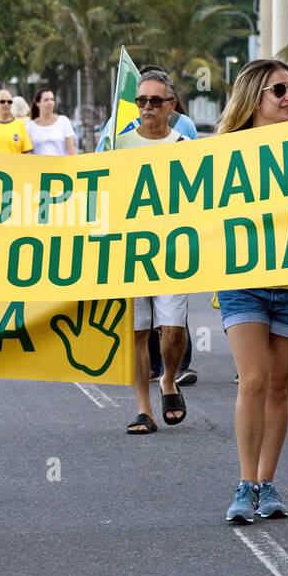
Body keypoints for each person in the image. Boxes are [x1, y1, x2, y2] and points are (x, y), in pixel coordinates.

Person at [214, 60, 288, 522]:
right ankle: (244, 484)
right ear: (254, 96)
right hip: (243, 282)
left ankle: (266, 482)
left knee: (279, 386)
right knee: (253, 380)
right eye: (278, 89)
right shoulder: (222, 151)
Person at [112, 68, 191, 433]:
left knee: (172, 331)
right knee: (137, 333)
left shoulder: (184, 146)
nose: (147, 106)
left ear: (171, 106)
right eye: (141, 100)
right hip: (129, 252)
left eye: (155, 101)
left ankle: (169, 379)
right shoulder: (119, 145)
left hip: (174, 252)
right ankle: (143, 408)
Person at [26, 88, 77, 156]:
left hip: (61, 165)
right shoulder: (30, 126)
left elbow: (71, 152)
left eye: (52, 99)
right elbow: (28, 153)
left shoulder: (64, 121)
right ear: (38, 103)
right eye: (46, 100)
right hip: (39, 165)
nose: (50, 103)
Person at [0, 89, 33, 154]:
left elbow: (28, 152)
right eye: (2, 101)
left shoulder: (20, 125)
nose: (6, 104)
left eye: (9, 102)